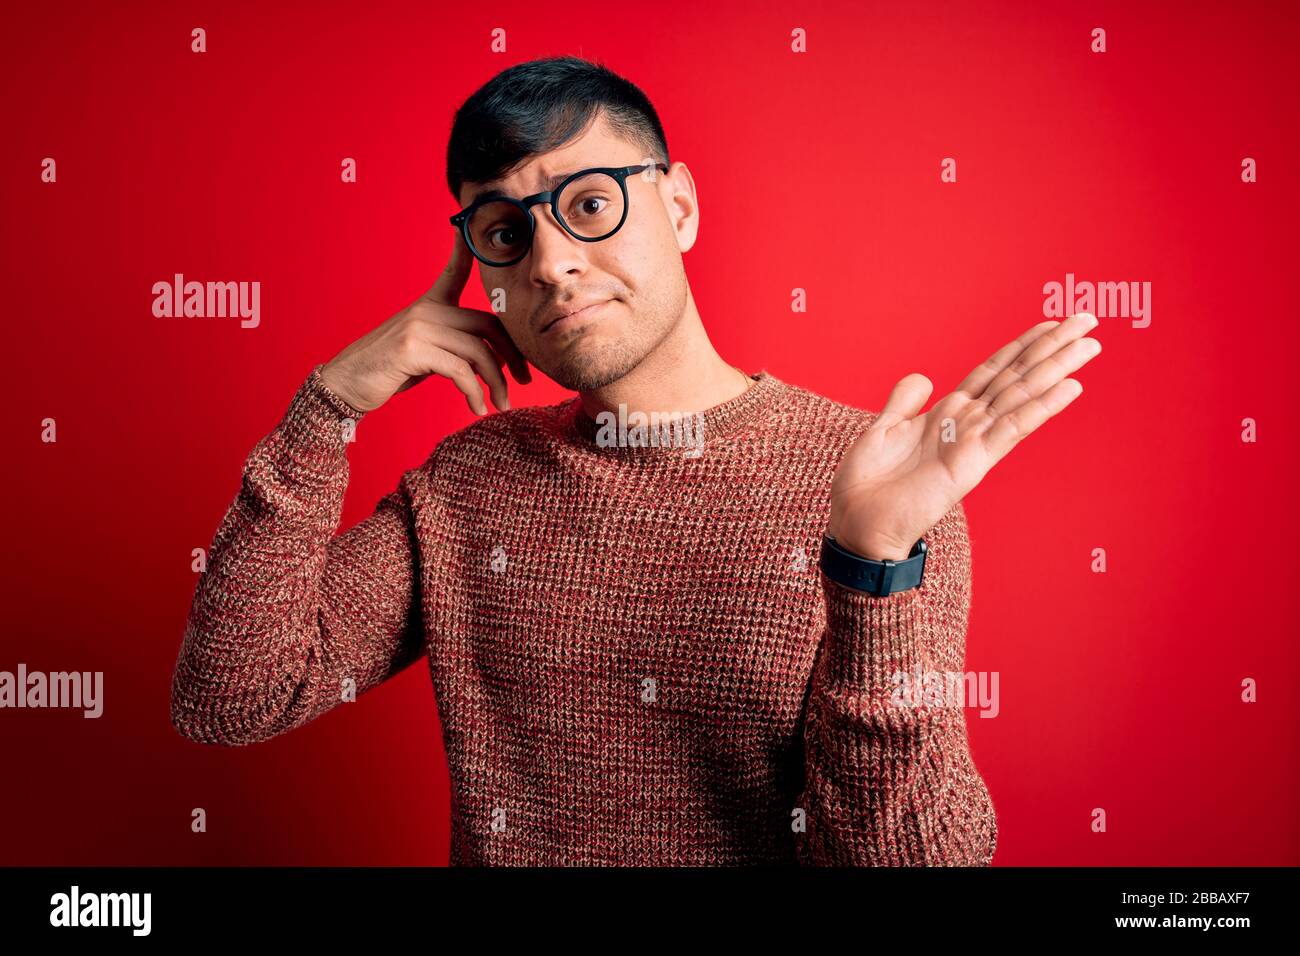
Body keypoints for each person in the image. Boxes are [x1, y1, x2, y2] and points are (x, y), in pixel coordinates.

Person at [169, 55, 1100, 866]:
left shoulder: (875, 482)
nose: (552, 263)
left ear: (681, 204)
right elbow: (234, 697)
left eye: (588, 204)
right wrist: (324, 409)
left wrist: (873, 571)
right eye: (505, 231)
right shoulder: (466, 487)